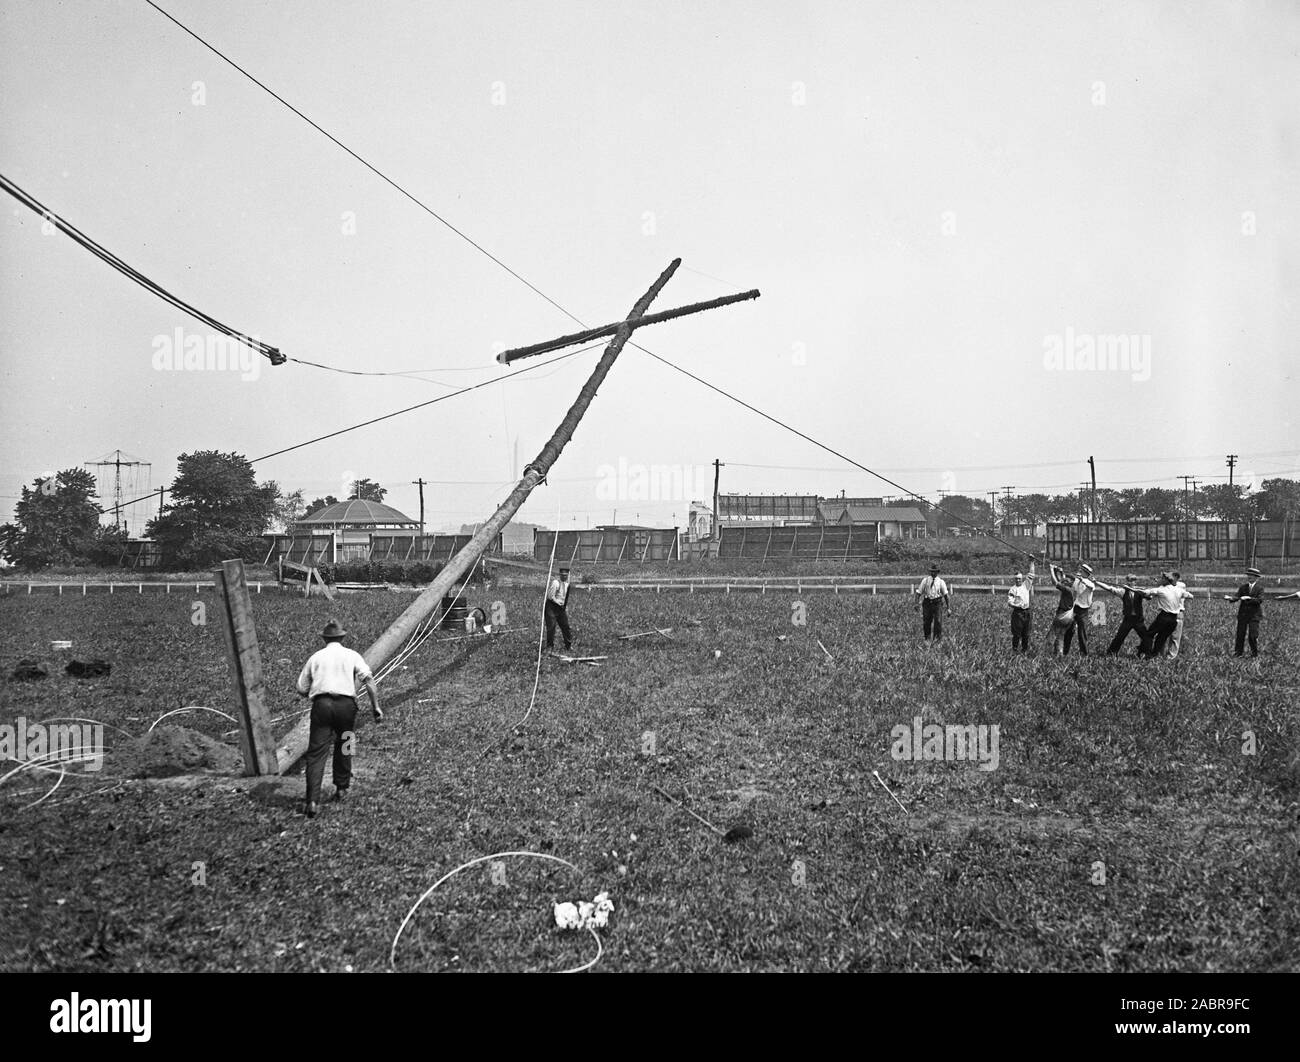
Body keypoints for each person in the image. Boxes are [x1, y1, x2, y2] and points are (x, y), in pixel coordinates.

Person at [296, 618, 382, 818]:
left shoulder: (316, 657)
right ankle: (342, 788)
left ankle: (312, 801)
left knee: (316, 753)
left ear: (325, 639)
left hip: (322, 706)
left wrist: (317, 692)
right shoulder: (351, 655)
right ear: (342, 637)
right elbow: (368, 680)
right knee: (346, 743)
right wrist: (376, 707)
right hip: (346, 707)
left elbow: (301, 688)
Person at [1135, 572, 1192, 658]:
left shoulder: (1161, 589)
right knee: (1161, 638)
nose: (1161, 580)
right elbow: (1190, 596)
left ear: (1166, 580)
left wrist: (1136, 590)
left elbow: (1147, 592)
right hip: (1173, 620)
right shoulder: (1179, 590)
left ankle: (1144, 651)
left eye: (1162, 579)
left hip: (1163, 617)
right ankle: (1154, 654)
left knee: (1149, 634)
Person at [1095, 573, 1150, 655]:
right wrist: (1096, 582)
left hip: (1138, 619)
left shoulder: (1139, 591)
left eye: (1134, 581)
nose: (1132, 582)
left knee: (1146, 637)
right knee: (1119, 637)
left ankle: (1146, 652)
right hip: (1128, 619)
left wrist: (1141, 591)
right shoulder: (1123, 591)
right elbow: (1110, 588)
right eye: (1130, 581)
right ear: (1127, 582)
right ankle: (1111, 653)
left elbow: (1149, 596)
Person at [1225, 566, 1265, 657]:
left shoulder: (1260, 588)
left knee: (1253, 635)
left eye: (1252, 575)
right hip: (1243, 614)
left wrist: (1249, 598)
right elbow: (1237, 596)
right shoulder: (1243, 587)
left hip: (1254, 615)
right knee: (1240, 634)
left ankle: (1254, 654)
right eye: (1248, 575)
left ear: (1256, 577)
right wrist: (1230, 598)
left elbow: (1259, 600)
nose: (1249, 577)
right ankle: (1238, 653)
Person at [1062, 563, 1096, 655]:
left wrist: (1083, 580)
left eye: (1083, 571)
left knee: (1082, 633)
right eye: (1080, 570)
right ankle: (1065, 652)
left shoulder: (1090, 583)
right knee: (1068, 631)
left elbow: (1091, 587)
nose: (1080, 572)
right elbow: (1071, 585)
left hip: (1083, 610)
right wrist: (1061, 572)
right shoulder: (1077, 580)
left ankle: (1084, 654)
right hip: (1074, 608)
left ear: (1087, 573)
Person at [914, 564, 951, 641]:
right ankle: (927, 639)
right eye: (932, 572)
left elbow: (946, 595)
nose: (933, 573)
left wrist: (948, 608)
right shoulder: (925, 580)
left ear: (938, 572)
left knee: (938, 621)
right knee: (927, 621)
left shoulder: (941, 582)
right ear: (930, 572)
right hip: (927, 603)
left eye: (935, 572)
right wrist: (916, 604)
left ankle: (936, 640)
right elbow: (918, 593)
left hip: (937, 603)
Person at [1046, 562, 1076, 655]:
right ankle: (1059, 653)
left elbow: (1056, 582)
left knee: (1051, 634)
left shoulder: (1067, 590)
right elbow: (1061, 580)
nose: (1065, 579)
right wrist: (1057, 571)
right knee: (1061, 636)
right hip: (1069, 617)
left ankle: (1046, 652)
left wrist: (1051, 569)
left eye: (1067, 579)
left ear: (1070, 582)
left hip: (1062, 616)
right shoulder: (1073, 590)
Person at [545, 566, 574, 651]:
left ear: (568, 576)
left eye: (566, 575)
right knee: (551, 627)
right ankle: (550, 646)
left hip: (561, 609)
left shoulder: (567, 585)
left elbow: (566, 598)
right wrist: (558, 602)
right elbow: (550, 596)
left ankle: (568, 646)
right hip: (551, 607)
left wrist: (564, 607)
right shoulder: (555, 583)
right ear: (560, 575)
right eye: (562, 575)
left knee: (566, 627)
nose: (564, 577)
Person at [1164, 572, 1189, 659]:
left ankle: (1170, 656)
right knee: (1166, 635)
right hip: (1169, 612)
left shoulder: (1180, 585)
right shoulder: (1169, 585)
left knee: (1174, 636)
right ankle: (1167, 655)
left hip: (1177, 612)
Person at [1006, 570, 1032, 652]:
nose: (1018, 580)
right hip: (1018, 613)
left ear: (1022, 578)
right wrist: (1018, 605)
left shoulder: (1026, 586)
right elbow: (1010, 602)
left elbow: (1032, 574)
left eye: (1019, 578)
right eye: (1016, 579)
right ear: (1015, 579)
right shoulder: (1012, 589)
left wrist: (1032, 562)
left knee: (1026, 634)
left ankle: (1024, 650)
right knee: (1017, 634)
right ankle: (1015, 650)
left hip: (1027, 612)